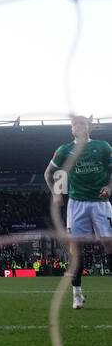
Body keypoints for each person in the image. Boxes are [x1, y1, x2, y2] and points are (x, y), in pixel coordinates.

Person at [44, 116, 112, 309]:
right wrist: (56, 193)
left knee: (109, 245)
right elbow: (48, 173)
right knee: (76, 249)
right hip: (77, 204)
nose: (77, 126)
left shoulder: (103, 146)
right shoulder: (64, 150)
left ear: (88, 127)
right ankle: (77, 294)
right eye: (74, 124)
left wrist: (109, 187)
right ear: (71, 129)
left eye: (81, 123)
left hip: (100, 203)